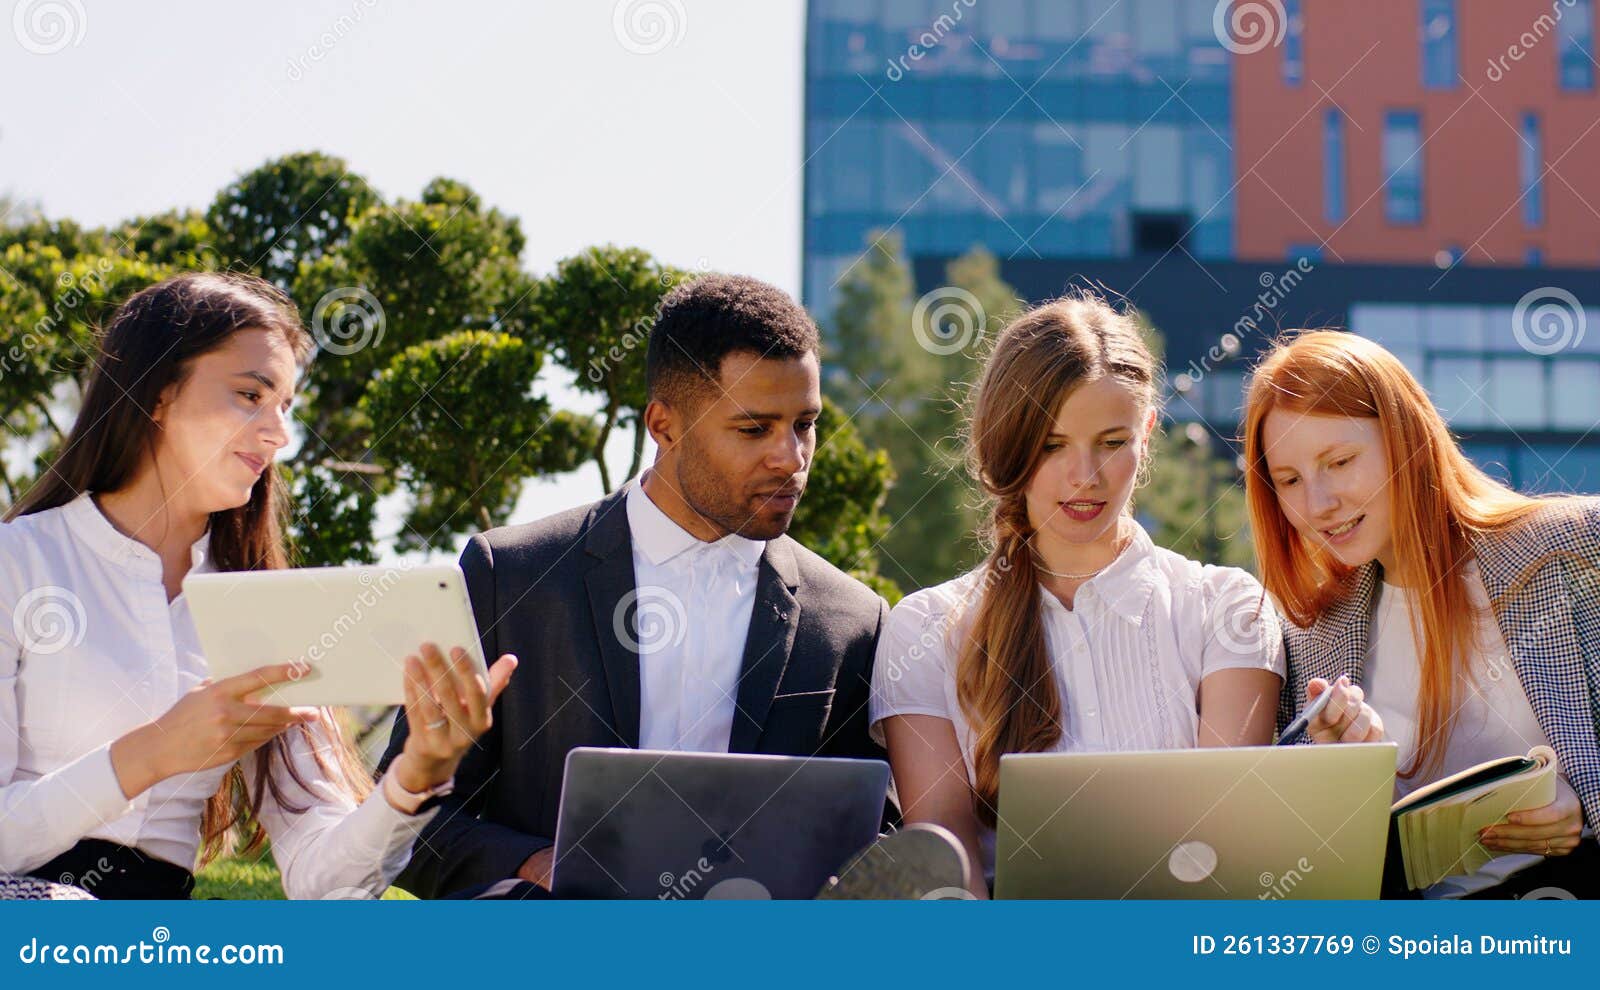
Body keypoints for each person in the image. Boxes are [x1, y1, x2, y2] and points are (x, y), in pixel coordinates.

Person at [381, 273, 945, 899]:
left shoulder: (851, 619)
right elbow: (412, 819)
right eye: (754, 429)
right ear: (664, 425)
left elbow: (873, 837)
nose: (791, 457)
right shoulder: (509, 576)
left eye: (805, 424)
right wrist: (538, 865)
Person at [0, 272, 515, 899]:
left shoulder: (271, 608)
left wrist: (414, 776)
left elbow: (330, 887)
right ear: (157, 394)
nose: (279, 434)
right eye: (250, 394)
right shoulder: (19, 560)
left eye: (286, 407)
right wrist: (156, 750)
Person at [870, 293, 1285, 897]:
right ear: (1005, 444)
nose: (1085, 477)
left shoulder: (1228, 608)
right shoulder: (925, 629)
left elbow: (1223, 850)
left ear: (1147, 432)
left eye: (1112, 442)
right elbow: (949, 876)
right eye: (1051, 445)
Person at [1243, 329, 1600, 898]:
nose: (1317, 503)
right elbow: (1306, 867)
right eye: (1289, 481)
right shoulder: (1310, 637)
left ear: (1407, 438)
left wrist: (1585, 805)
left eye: (1339, 461)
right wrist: (1347, 778)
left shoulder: (1577, 550)